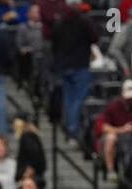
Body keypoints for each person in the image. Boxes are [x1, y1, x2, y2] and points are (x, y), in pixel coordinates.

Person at [52, 0, 97, 140]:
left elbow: (53, 43)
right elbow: (95, 38)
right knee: (78, 99)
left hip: (64, 66)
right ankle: (73, 130)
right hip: (80, 65)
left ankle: (68, 127)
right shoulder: (84, 21)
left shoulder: (59, 22)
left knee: (68, 99)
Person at [99, 80, 132, 178]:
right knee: (110, 138)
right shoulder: (113, 106)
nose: (130, 101)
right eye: (128, 99)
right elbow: (104, 127)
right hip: (117, 134)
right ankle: (110, 169)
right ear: (122, 96)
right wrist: (122, 130)